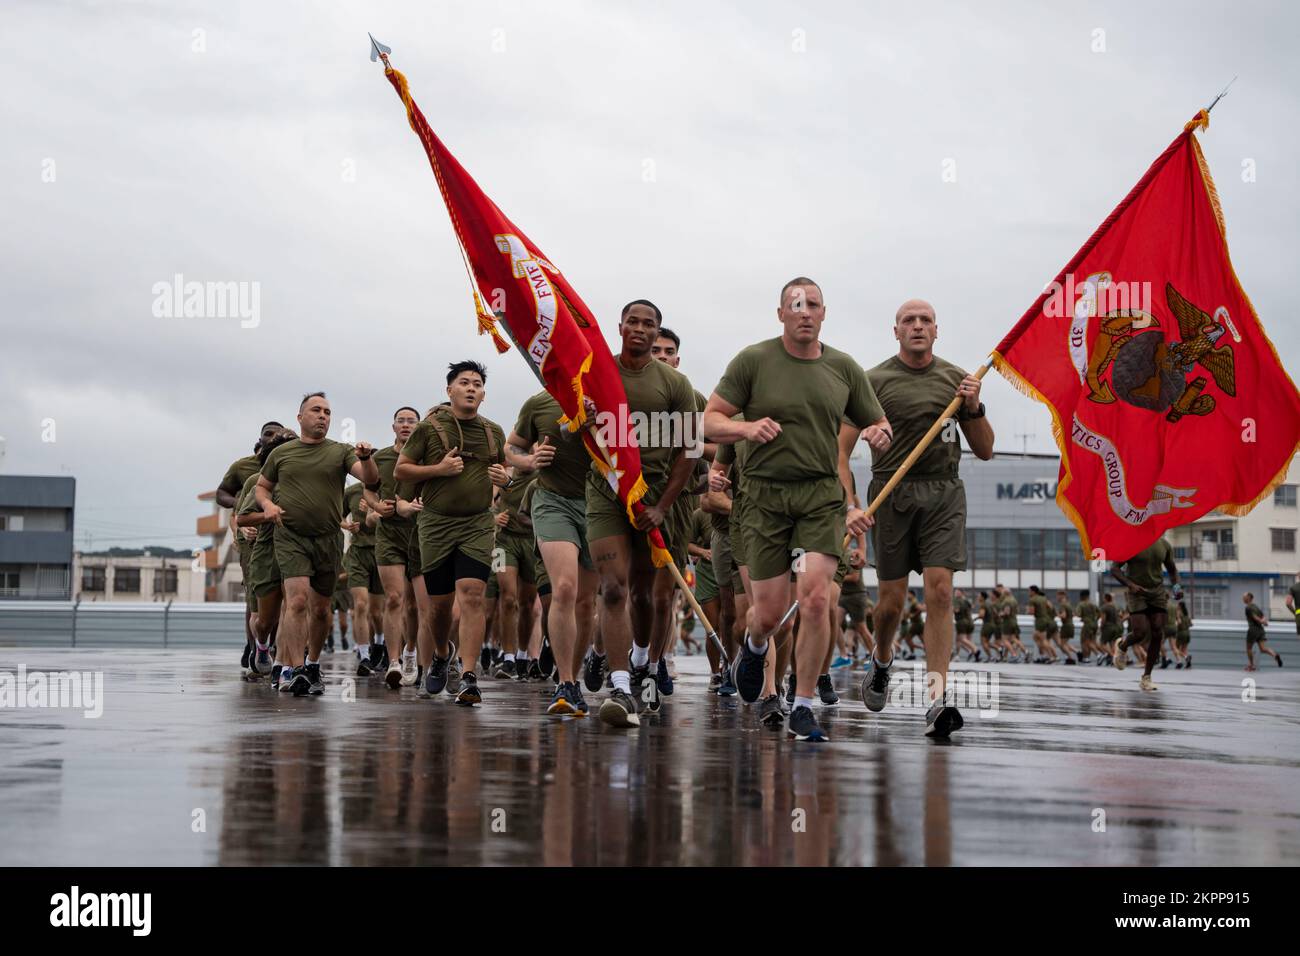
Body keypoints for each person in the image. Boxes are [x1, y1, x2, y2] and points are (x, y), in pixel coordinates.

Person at [704, 277, 890, 742]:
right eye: (795, 304)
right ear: (781, 313)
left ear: (824, 313)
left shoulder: (845, 368)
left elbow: (878, 420)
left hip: (819, 498)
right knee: (767, 613)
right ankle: (753, 645)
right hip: (764, 500)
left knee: (816, 598)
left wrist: (879, 433)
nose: (805, 312)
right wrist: (745, 432)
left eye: (813, 305)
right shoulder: (753, 361)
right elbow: (710, 419)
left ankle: (803, 703)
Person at [858, 298, 994, 738]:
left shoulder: (960, 381)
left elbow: (986, 449)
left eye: (925, 321)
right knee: (890, 605)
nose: (917, 326)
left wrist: (973, 407)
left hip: (943, 492)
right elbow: (843, 444)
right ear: (894, 331)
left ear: (937, 330)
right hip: (891, 492)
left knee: (939, 591)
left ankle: (937, 699)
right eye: (908, 321)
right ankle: (881, 660)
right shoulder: (872, 380)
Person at [587, 300, 698, 728]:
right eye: (632, 321)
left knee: (646, 596)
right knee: (613, 589)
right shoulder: (596, 372)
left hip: (654, 497)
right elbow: (570, 422)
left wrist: (663, 506)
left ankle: (642, 663)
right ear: (619, 326)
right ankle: (619, 685)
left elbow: (689, 448)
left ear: (657, 333)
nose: (639, 328)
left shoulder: (674, 383)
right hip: (606, 493)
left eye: (648, 324)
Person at [395, 362, 509, 706]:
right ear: (450, 391)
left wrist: (507, 481)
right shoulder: (429, 429)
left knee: (473, 595)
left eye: (477, 384)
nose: (471, 388)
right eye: (464, 383)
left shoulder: (494, 432)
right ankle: (443, 654)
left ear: (483, 394)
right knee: (439, 609)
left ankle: (470, 675)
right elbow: (402, 470)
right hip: (436, 525)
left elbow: (502, 472)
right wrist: (439, 469)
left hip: (476, 524)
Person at [255, 393, 379, 697]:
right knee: (296, 602)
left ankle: (312, 665)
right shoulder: (282, 454)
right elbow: (261, 487)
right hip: (291, 536)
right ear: (300, 418)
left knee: (322, 610)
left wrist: (365, 457)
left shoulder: (340, 452)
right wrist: (268, 506)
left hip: (328, 540)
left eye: (327, 412)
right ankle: (295, 670)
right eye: (316, 410)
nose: (322, 416)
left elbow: (370, 478)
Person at [506, 386, 601, 717]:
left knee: (587, 602)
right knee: (564, 589)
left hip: (599, 503)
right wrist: (529, 461)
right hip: (552, 500)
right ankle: (564, 682)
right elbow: (510, 448)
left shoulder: (609, 393)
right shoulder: (538, 401)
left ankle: (573, 675)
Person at [233, 427, 297, 682]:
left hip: (295, 550)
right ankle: (260, 647)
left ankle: (284, 665)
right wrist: (246, 532)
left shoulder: (308, 479)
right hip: (263, 551)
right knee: (261, 618)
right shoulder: (255, 481)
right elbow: (241, 518)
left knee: (292, 608)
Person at [372, 407, 422, 689]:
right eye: (401, 421)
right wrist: (376, 504)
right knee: (394, 598)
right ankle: (393, 662)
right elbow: (368, 489)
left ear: (418, 427)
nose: (405, 425)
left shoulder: (425, 456)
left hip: (419, 533)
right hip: (389, 533)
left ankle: (411, 652)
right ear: (393, 427)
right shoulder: (381, 458)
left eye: (411, 421)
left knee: (415, 604)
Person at [1109, 537, 1183, 691]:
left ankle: (1146, 678)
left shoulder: (1164, 545)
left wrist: (1176, 587)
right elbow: (1114, 568)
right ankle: (1122, 645)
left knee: (1157, 632)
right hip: (1136, 592)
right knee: (1140, 632)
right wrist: (1130, 585)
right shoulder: (1130, 542)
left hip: (1157, 591)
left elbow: (1172, 569)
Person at [343, 482, 384, 673]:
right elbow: (336, 515)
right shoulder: (351, 492)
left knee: (377, 612)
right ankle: (364, 656)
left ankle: (379, 643)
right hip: (358, 554)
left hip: (382, 553)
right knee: (360, 604)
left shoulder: (387, 490)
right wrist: (347, 525)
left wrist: (373, 509)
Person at [1242, 592, 1283, 670]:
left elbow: (1255, 617)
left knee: (1249, 648)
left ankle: (1251, 665)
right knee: (1263, 648)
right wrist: (1264, 622)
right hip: (1260, 630)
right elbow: (1263, 616)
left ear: (1249, 598)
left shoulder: (1248, 608)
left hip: (1253, 630)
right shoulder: (1256, 607)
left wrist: (1262, 621)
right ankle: (1275, 655)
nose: (1243, 598)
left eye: (1244, 597)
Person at [1076, 590, 1101, 663]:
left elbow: (1078, 614)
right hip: (1094, 624)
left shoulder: (1081, 604)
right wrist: (1095, 619)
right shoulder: (1093, 603)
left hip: (1087, 624)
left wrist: (1083, 618)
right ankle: (1088, 657)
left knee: (1085, 642)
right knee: (1092, 641)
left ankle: (1096, 655)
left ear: (1082, 596)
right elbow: (1099, 613)